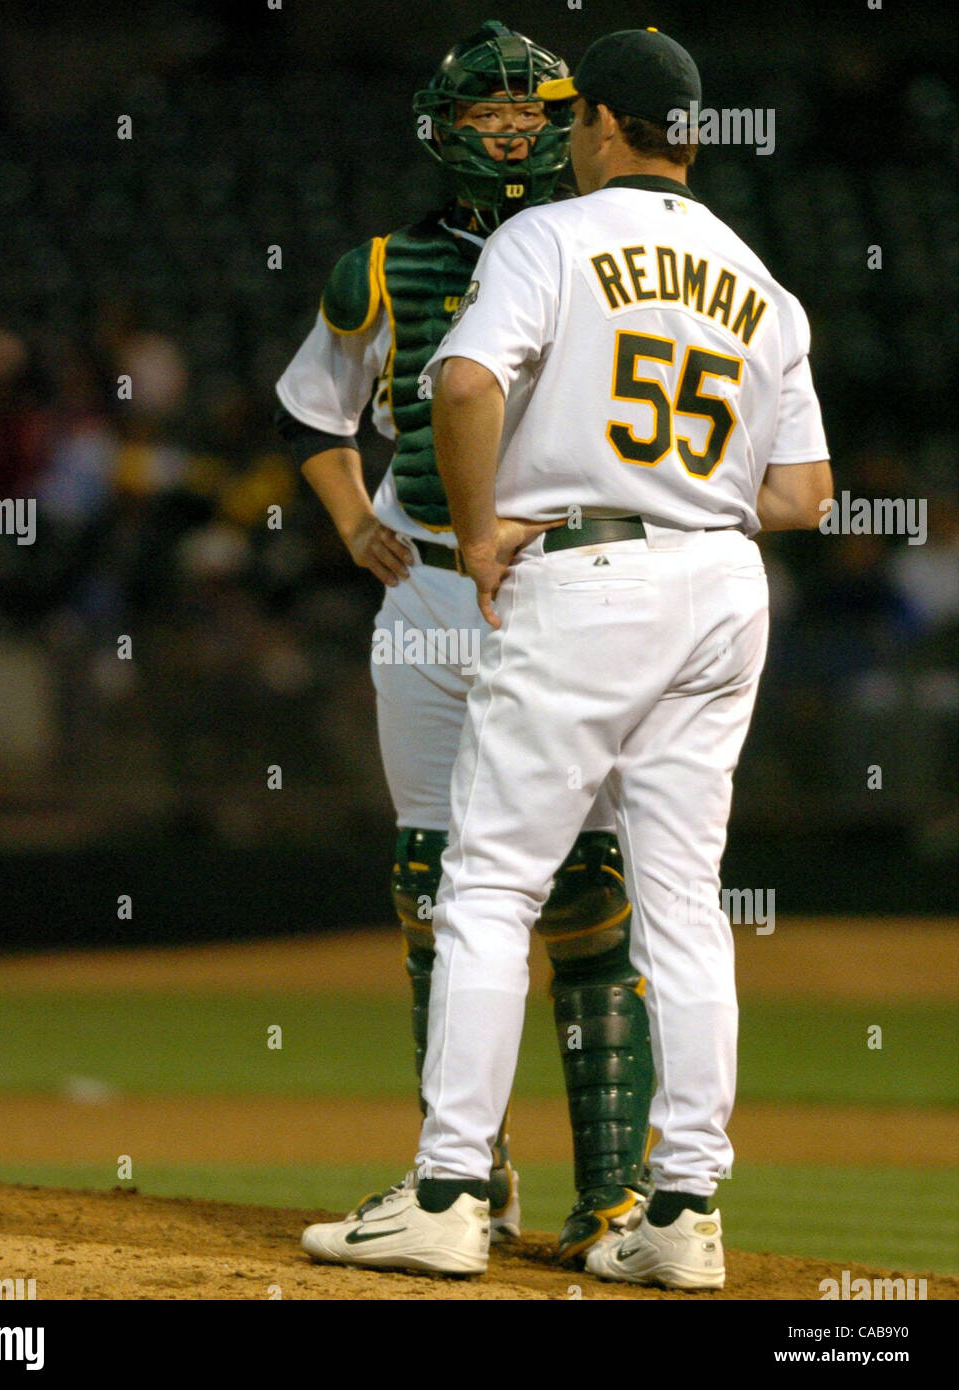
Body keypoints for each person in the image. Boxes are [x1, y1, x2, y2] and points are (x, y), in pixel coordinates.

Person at [301, 27, 832, 1287]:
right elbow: (807, 493)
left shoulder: (549, 235)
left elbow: (465, 382)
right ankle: (682, 1213)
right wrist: (688, 506)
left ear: (596, 122)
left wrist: (480, 530)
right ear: (690, 135)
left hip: (587, 576)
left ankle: (446, 1193)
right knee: (684, 904)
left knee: (485, 885)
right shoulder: (762, 280)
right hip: (721, 587)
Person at [279, 21, 655, 1262]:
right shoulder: (378, 270)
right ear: (443, 130)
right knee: (431, 885)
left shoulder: (604, 256)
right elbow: (318, 419)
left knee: (589, 895)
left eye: (524, 115)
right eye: (483, 118)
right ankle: (464, 1180)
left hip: (562, 585)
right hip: (431, 596)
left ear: (567, 124)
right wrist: (351, 523)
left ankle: (612, 1199)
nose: (504, 136)